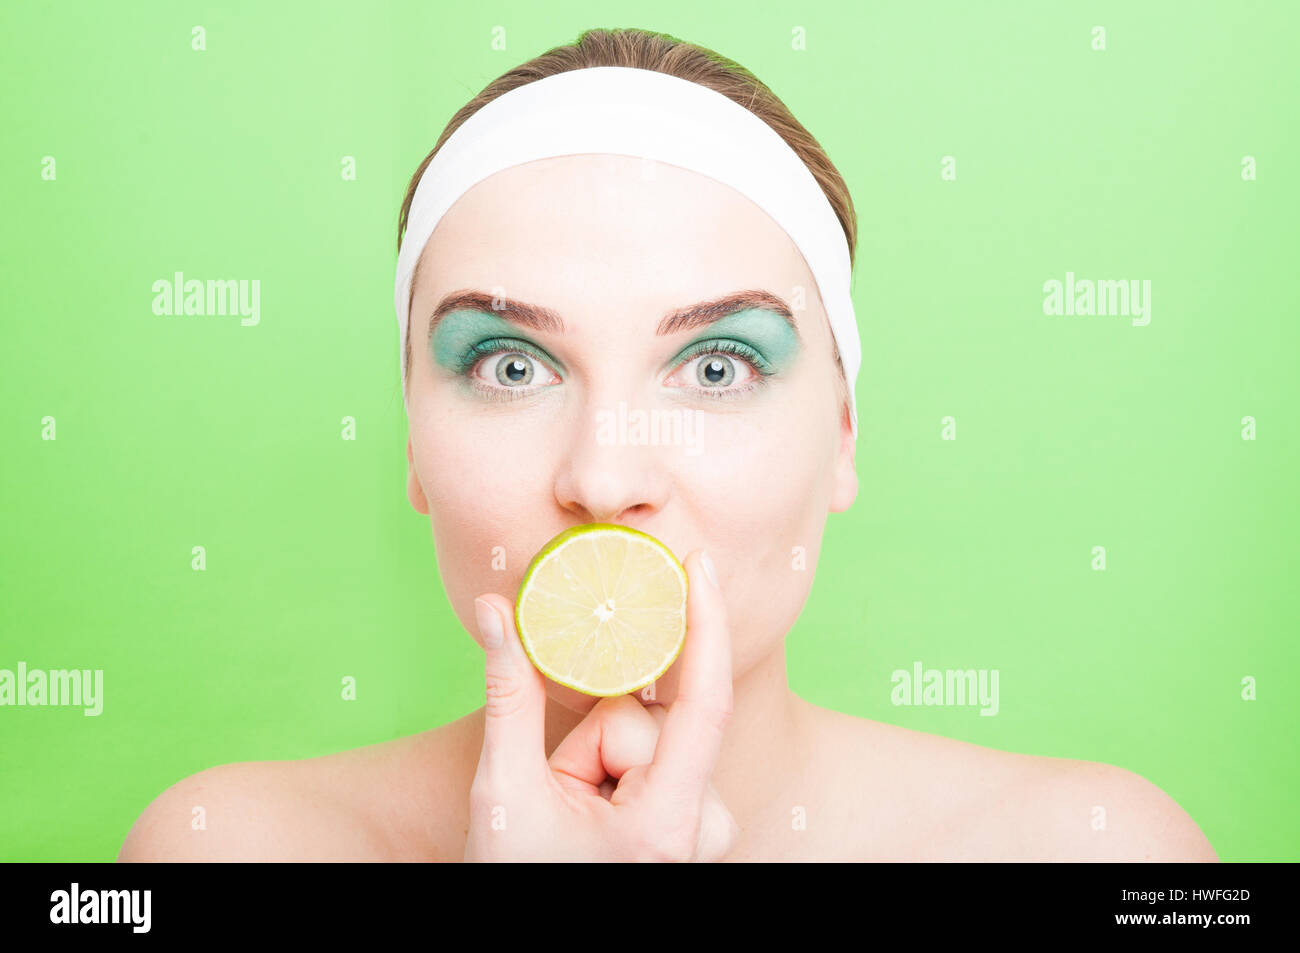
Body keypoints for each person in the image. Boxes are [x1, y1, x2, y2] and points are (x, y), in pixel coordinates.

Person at [119, 27, 1217, 862]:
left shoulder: (1105, 850)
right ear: (412, 437)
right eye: (510, 364)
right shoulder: (225, 844)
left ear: (842, 430)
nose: (604, 476)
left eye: (715, 367)